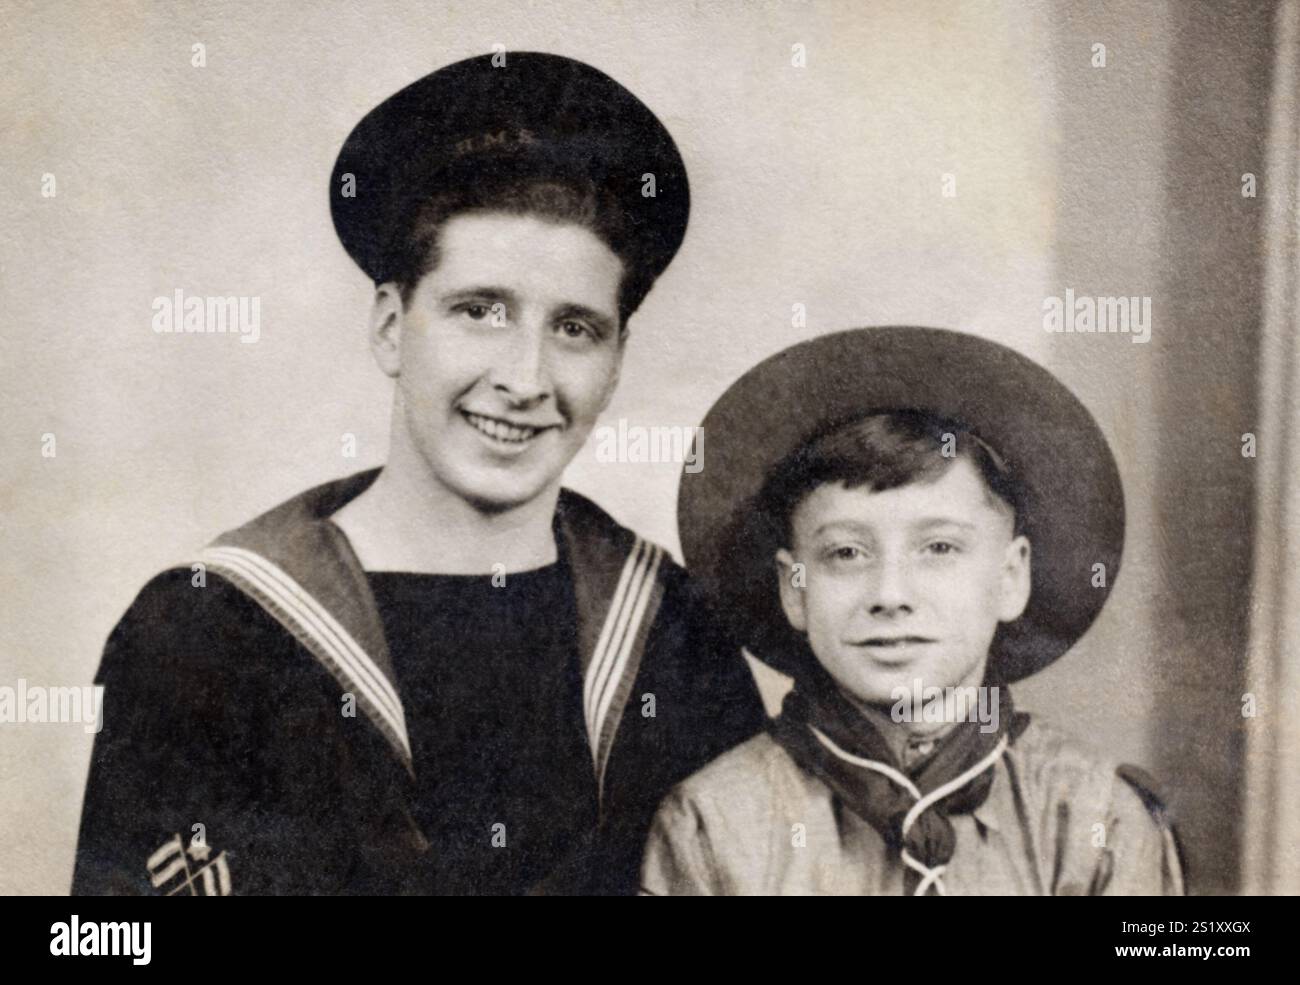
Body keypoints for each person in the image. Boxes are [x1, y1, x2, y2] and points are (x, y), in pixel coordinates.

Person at [72, 51, 764, 896]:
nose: (525, 377)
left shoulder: (674, 634)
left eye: (576, 328)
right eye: (480, 311)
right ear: (393, 327)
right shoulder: (209, 633)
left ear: (618, 359)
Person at [641, 326, 1186, 895]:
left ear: (1010, 577)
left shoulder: (1098, 819)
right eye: (846, 553)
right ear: (794, 588)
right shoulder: (714, 825)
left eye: (939, 549)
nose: (890, 594)